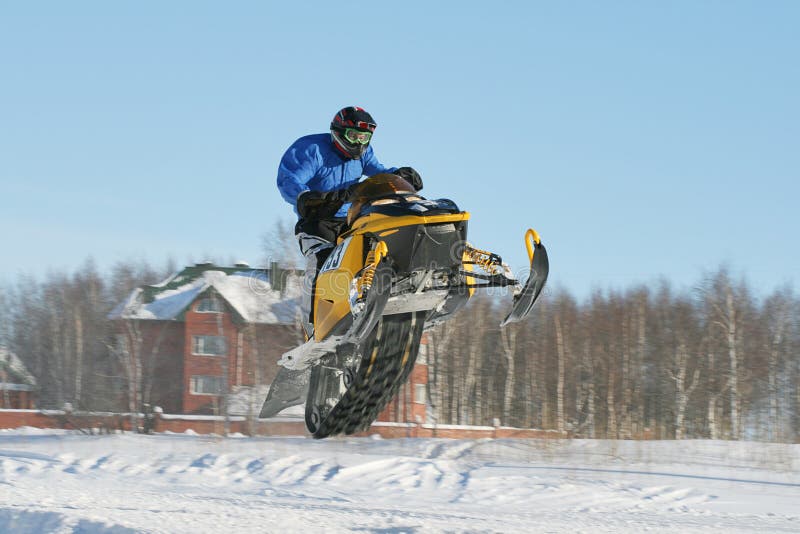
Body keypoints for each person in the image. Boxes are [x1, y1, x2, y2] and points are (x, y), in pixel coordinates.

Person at [277, 106, 422, 335]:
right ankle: (312, 329)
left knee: (375, 253)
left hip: (352, 222)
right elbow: (289, 178)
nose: (358, 143)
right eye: (353, 136)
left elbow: (379, 173)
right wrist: (305, 197)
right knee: (321, 262)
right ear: (338, 132)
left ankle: (382, 304)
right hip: (318, 222)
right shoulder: (312, 149)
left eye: (364, 137)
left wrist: (400, 176)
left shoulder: (365, 153)